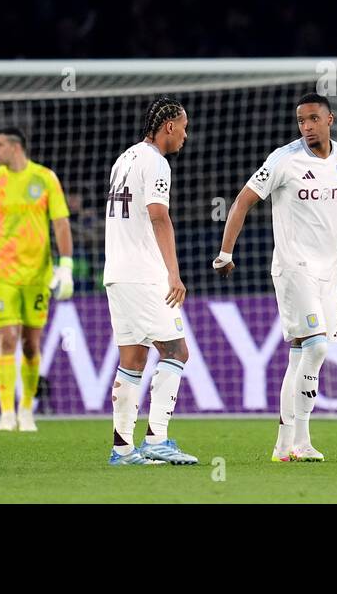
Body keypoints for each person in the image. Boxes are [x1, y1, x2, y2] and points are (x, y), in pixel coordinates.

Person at [213, 92, 337, 463]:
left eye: (314, 119)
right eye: (302, 121)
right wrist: (225, 252)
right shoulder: (284, 160)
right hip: (293, 268)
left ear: (330, 120)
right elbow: (243, 201)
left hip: (329, 274)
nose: (307, 126)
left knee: (301, 355)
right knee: (316, 347)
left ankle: (285, 446)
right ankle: (300, 441)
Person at [102, 96, 199, 465]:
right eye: (184, 127)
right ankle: (158, 438)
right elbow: (158, 216)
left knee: (133, 359)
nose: (185, 136)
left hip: (116, 273)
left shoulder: (124, 158)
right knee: (176, 352)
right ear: (169, 126)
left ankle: (123, 448)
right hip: (143, 275)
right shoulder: (157, 163)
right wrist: (173, 273)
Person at [0, 128, 73, 432]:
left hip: (37, 275)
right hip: (1, 275)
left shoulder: (45, 178)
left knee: (29, 343)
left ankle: (27, 410)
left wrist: (65, 265)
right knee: (7, 338)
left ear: (15, 147)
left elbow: (61, 223)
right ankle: (7, 413)